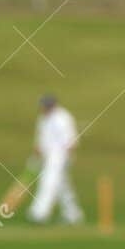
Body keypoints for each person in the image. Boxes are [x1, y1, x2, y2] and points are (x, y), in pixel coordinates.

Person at [28, 94, 83, 225]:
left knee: (48, 182)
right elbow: (41, 138)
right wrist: (38, 151)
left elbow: (71, 141)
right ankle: (73, 214)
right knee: (62, 186)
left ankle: (39, 213)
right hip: (47, 156)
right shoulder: (43, 118)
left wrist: (65, 159)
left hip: (60, 156)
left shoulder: (63, 118)